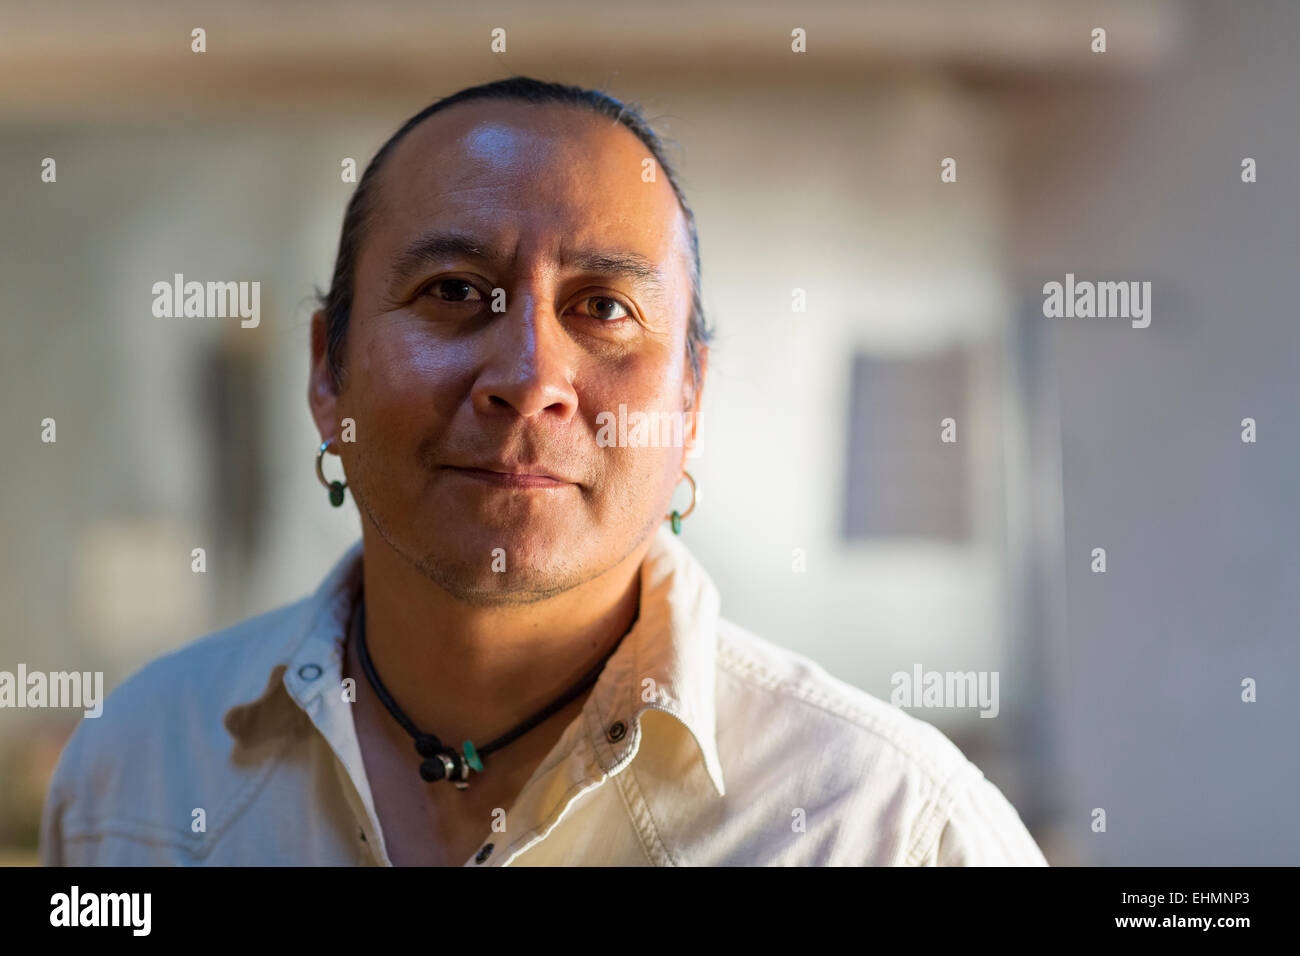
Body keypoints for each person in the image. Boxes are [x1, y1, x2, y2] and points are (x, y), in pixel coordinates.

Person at [40, 77, 1047, 866]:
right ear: (326, 370)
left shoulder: (891, 828)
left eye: (603, 307)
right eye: (452, 289)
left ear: (687, 398)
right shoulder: (139, 771)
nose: (528, 379)